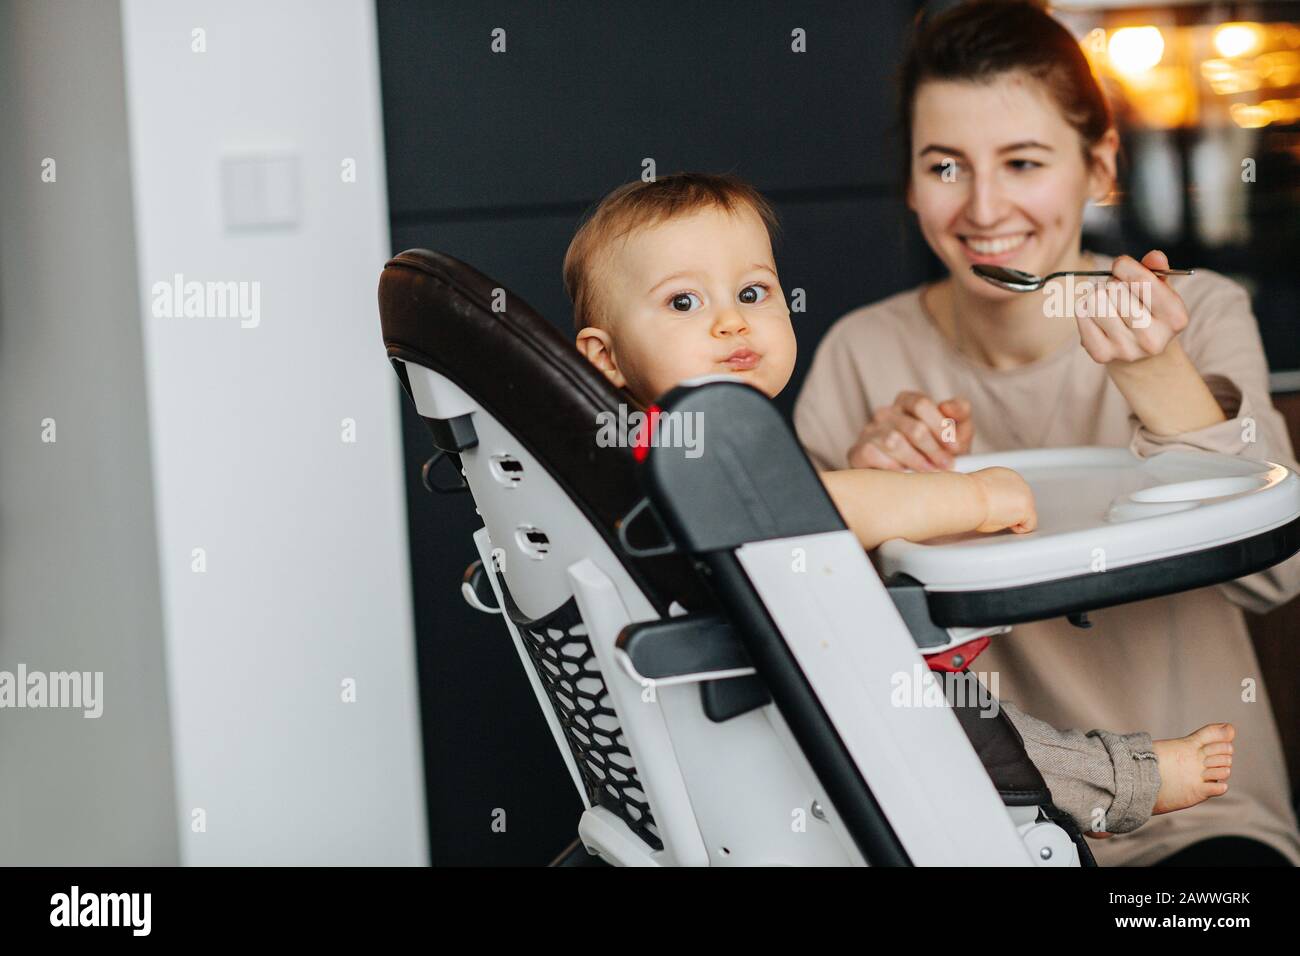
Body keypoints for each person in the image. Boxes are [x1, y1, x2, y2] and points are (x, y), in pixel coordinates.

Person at [564, 170, 1236, 842]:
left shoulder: (668, 449)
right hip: (795, 705)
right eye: (683, 303)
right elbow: (803, 510)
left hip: (788, 689)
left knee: (976, 723)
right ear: (607, 357)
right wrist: (971, 497)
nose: (731, 319)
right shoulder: (685, 440)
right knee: (973, 739)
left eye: (751, 291)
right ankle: (1123, 779)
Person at [793, 0, 1300, 864]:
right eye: (945, 166)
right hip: (977, 832)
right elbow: (809, 645)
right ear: (911, 186)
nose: (983, 207)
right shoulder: (860, 354)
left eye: (1023, 161)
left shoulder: (1203, 310)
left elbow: (1278, 577)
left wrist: (1156, 379)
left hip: (1200, 822)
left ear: (1099, 168)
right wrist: (871, 505)